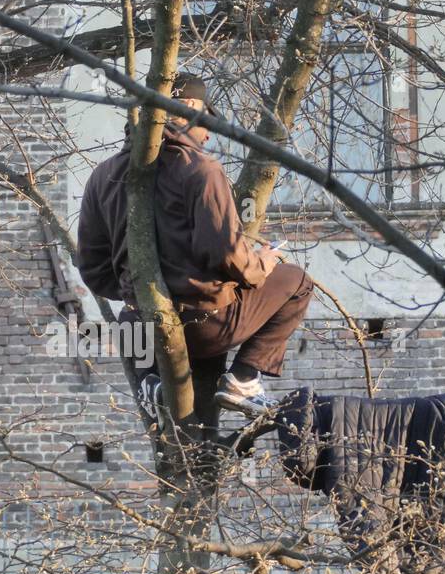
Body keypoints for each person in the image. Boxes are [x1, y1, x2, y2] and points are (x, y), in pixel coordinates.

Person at [76, 72, 315, 416]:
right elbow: (226, 254)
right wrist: (264, 262)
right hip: (204, 328)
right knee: (298, 282)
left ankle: (150, 382)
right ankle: (243, 380)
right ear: (187, 107)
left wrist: (139, 292)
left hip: (141, 331)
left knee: (130, 312)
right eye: (205, 122)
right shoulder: (202, 170)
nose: (206, 135)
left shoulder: (102, 176)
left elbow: (93, 270)